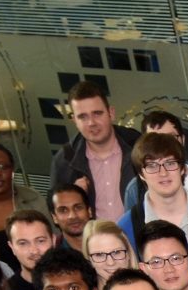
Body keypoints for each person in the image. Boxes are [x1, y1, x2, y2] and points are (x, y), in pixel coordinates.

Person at [51, 81, 140, 225]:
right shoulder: (64, 161)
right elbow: (57, 215)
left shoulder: (139, 146)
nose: (91, 123)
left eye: (97, 114)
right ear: (74, 120)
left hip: (141, 239)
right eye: (83, 117)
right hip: (93, 243)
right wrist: (75, 196)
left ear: (111, 113)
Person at [122, 110, 188, 212]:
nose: (164, 146)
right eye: (154, 139)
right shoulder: (135, 190)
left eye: (170, 137)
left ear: (182, 140)